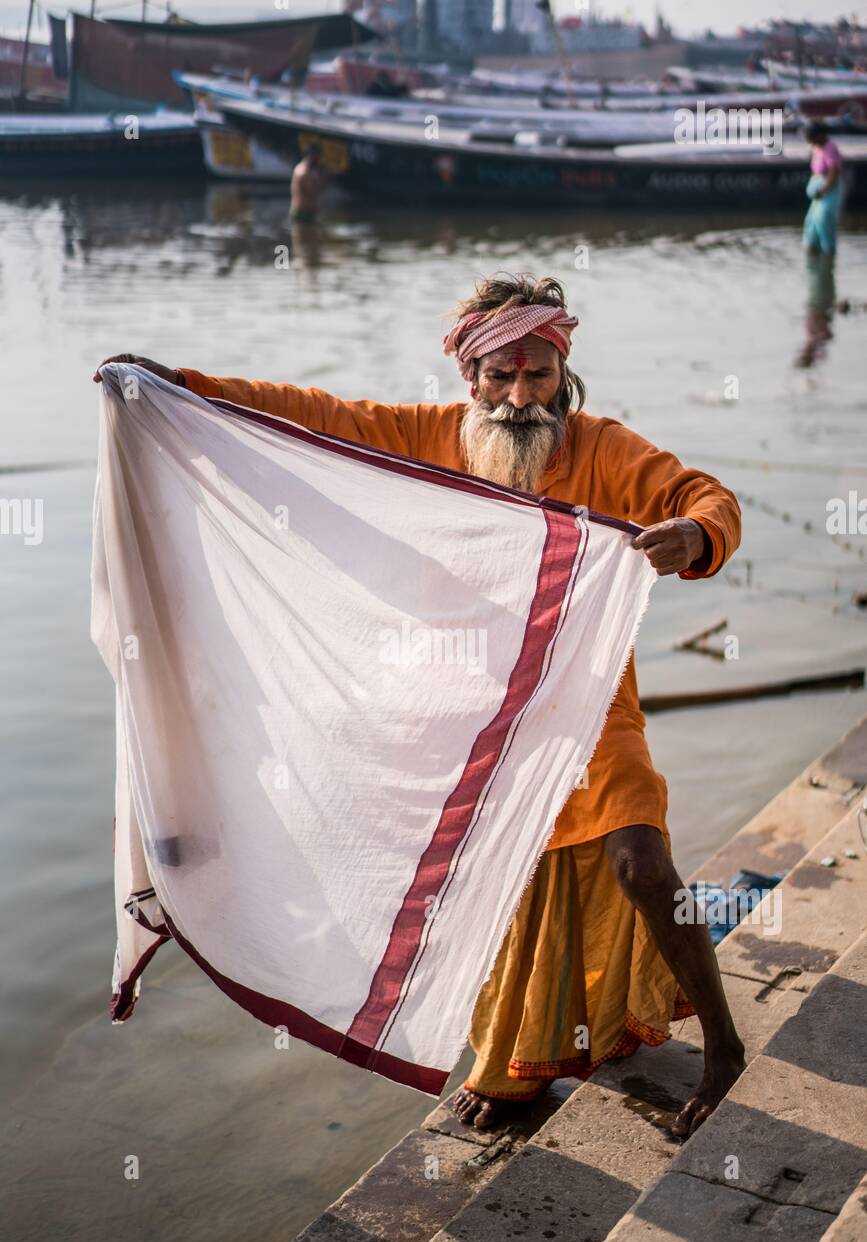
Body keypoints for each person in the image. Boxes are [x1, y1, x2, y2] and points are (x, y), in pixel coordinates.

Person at [94, 273, 746, 1138]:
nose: (519, 399)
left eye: (538, 377)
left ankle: (726, 1050)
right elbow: (307, 416)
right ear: (467, 376)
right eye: (500, 378)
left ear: (563, 373)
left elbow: (708, 499)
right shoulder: (422, 436)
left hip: (588, 700)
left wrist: (696, 536)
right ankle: (514, 1065)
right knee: (484, 883)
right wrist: (185, 389)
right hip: (461, 706)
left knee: (638, 860)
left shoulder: (602, 447)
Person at [803, 119, 844, 255]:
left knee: (824, 220)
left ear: (819, 135)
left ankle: (828, 253)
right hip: (818, 188)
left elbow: (835, 171)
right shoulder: (816, 147)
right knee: (811, 222)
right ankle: (812, 250)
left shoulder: (830, 148)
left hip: (829, 189)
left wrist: (823, 189)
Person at [289, 142, 329, 223]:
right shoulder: (304, 172)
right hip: (303, 213)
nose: (319, 159)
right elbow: (312, 191)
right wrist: (324, 177)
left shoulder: (306, 169)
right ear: (313, 156)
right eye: (318, 156)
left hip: (308, 212)